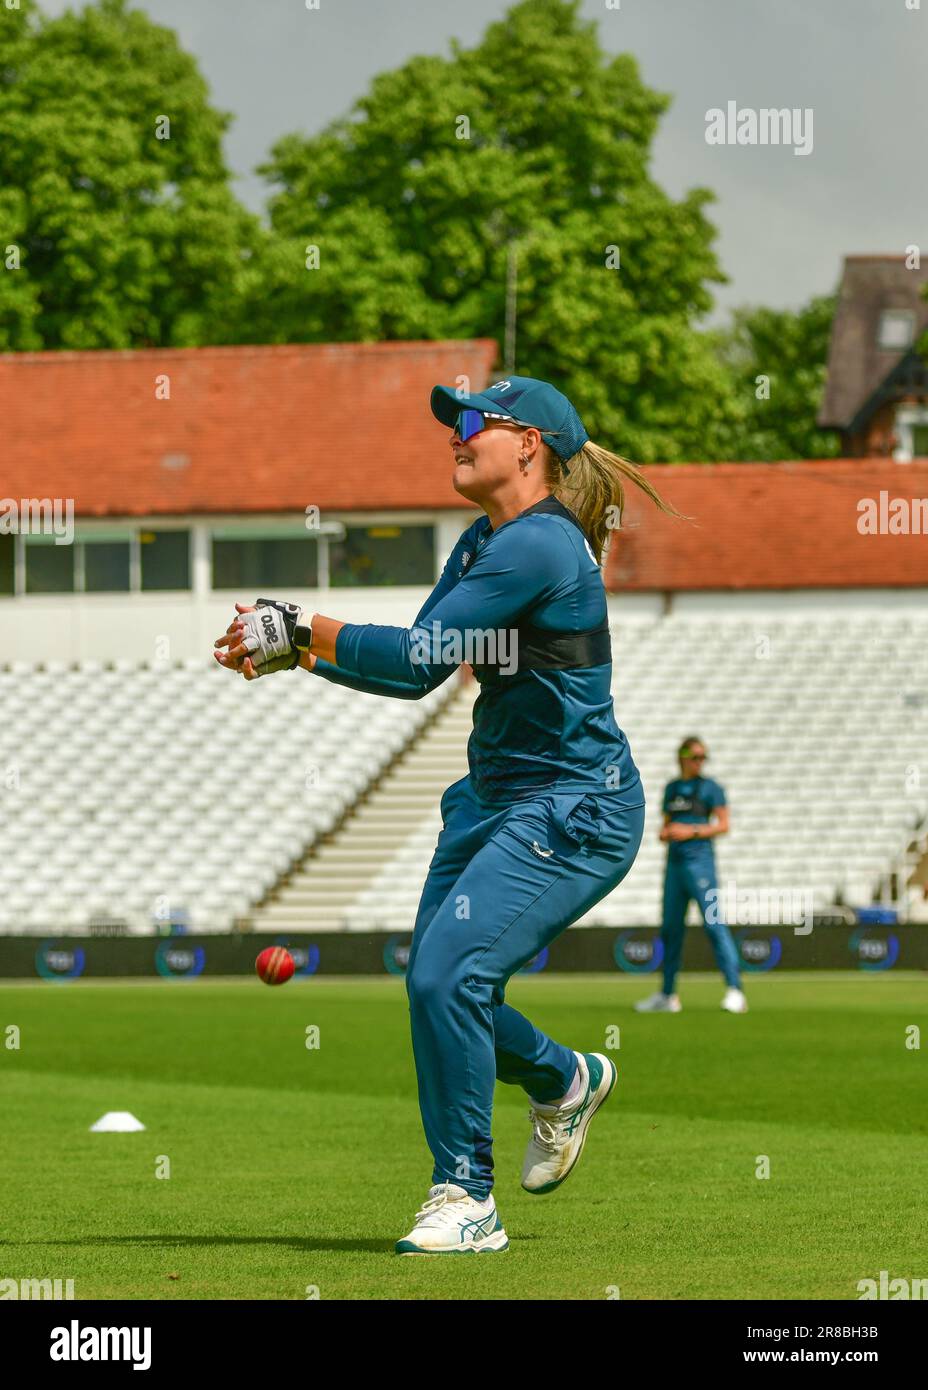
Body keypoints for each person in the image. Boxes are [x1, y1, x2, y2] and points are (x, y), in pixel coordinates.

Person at [215, 375, 679, 1254]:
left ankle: (467, 1199)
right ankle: (566, 1079)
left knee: (443, 980)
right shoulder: (484, 540)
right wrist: (302, 655)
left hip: (574, 805)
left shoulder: (540, 545)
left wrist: (300, 623)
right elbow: (420, 669)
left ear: (529, 445)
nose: (455, 435)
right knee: (440, 986)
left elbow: (414, 655)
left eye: (473, 422)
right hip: (495, 800)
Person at [635, 737, 747, 1014]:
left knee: (713, 924)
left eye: (703, 757)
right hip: (674, 865)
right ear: (683, 756)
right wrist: (666, 833)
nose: (700, 762)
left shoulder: (711, 789)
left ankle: (735, 991)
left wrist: (691, 831)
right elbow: (666, 825)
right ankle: (668, 995)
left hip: (701, 865)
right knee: (671, 930)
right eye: (696, 757)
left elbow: (723, 825)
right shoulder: (672, 788)